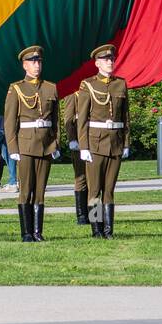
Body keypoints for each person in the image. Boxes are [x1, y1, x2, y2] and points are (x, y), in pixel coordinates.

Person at [5, 45, 60, 242]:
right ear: (24, 65)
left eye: (39, 62)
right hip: (25, 144)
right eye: (32, 62)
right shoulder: (16, 88)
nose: (36, 65)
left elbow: (55, 120)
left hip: (46, 144)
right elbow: (10, 121)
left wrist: (56, 143)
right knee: (26, 190)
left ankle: (38, 232)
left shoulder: (50, 87)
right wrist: (12, 147)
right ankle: (26, 232)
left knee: (40, 191)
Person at [76, 43, 130, 238]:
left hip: (115, 142)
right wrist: (84, 146)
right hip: (96, 143)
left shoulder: (120, 84)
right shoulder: (88, 85)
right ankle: (96, 229)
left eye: (112, 59)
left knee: (109, 190)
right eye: (106, 59)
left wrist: (126, 142)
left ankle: (108, 230)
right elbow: (81, 118)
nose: (110, 62)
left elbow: (125, 117)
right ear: (97, 63)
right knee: (94, 191)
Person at [64, 94, 87, 224]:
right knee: (81, 178)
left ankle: (96, 216)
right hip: (79, 139)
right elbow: (68, 117)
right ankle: (82, 215)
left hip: (96, 139)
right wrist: (72, 139)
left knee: (97, 181)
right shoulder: (73, 91)